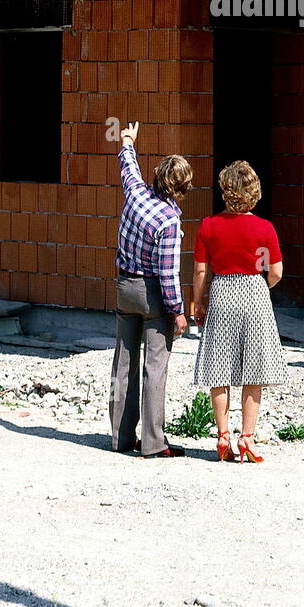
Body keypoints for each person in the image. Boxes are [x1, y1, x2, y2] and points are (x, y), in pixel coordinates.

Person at [193, 161, 287, 463]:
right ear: (253, 192)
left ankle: (223, 436)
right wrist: (260, 288)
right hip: (255, 292)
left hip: (222, 291)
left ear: (225, 191)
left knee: (219, 368)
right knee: (254, 369)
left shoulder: (209, 225)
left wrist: (198, 300)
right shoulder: (264, 228)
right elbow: (276, 271)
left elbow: (200, 269)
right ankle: (247, 437)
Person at [109, 121, 193, 458]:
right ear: (183, 187)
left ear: (156, 176)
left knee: (123, 364)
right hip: (153, 294)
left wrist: (128, 139)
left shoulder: (136, 194)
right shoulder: (169, 221)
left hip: (124, 286)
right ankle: (154, 442)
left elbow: (128, 165)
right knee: (154, 367)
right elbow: (167, 272)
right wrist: (178, 311)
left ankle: (120, 438)